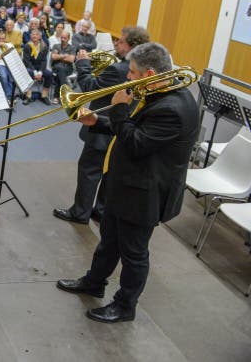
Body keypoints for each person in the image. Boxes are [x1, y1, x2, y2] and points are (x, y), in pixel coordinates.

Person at [57, 42, 198, 323]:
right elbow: (134, 130)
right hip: (125, 184)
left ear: (148, 72)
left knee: (134, 253)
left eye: (132, 72)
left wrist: (120, 108)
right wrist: (97, 119)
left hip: (145, 193)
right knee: (109, 241)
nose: (128, 77)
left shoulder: (173, 108)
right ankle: (94, 281)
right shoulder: (158, 91)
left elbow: (135, 143)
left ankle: (125, 305)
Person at [53, 26, 150, 225]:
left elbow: (89, 86)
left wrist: (83, 64)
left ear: (131, 46)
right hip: (122, 129)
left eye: (121, 41)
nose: (116, 44)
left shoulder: (119, 69)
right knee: (109, 172)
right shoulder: (139, 68)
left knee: (89, 171)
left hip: (102, 127)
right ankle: (100, 210)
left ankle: (80, 213)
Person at [22, 28, 53, 106]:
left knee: (49, 74)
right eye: (33, 34)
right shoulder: (27, 46)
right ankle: (28, 96)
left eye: (36, 34)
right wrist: (34, 72)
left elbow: (44, 61)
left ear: (40, 37)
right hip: (30, 67)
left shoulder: (44, 46)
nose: (34, 36)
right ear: (30, 36)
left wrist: (40, 72)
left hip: (40, 67)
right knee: (29, 72)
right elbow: (27, 61)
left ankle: (44, 95)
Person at [50, 31, 76, 103]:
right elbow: (53, 57)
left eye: (64, 38)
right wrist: (65, 55)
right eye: (61, 37)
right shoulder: (56, 46)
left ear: (68, 38)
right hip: (56, 66)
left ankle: (56, 96)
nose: (62, 39)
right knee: (61, 70)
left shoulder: (72, 47)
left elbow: (71, 59)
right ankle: (64, 95)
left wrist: (59, 56)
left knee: (61, 72)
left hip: (68, 68)